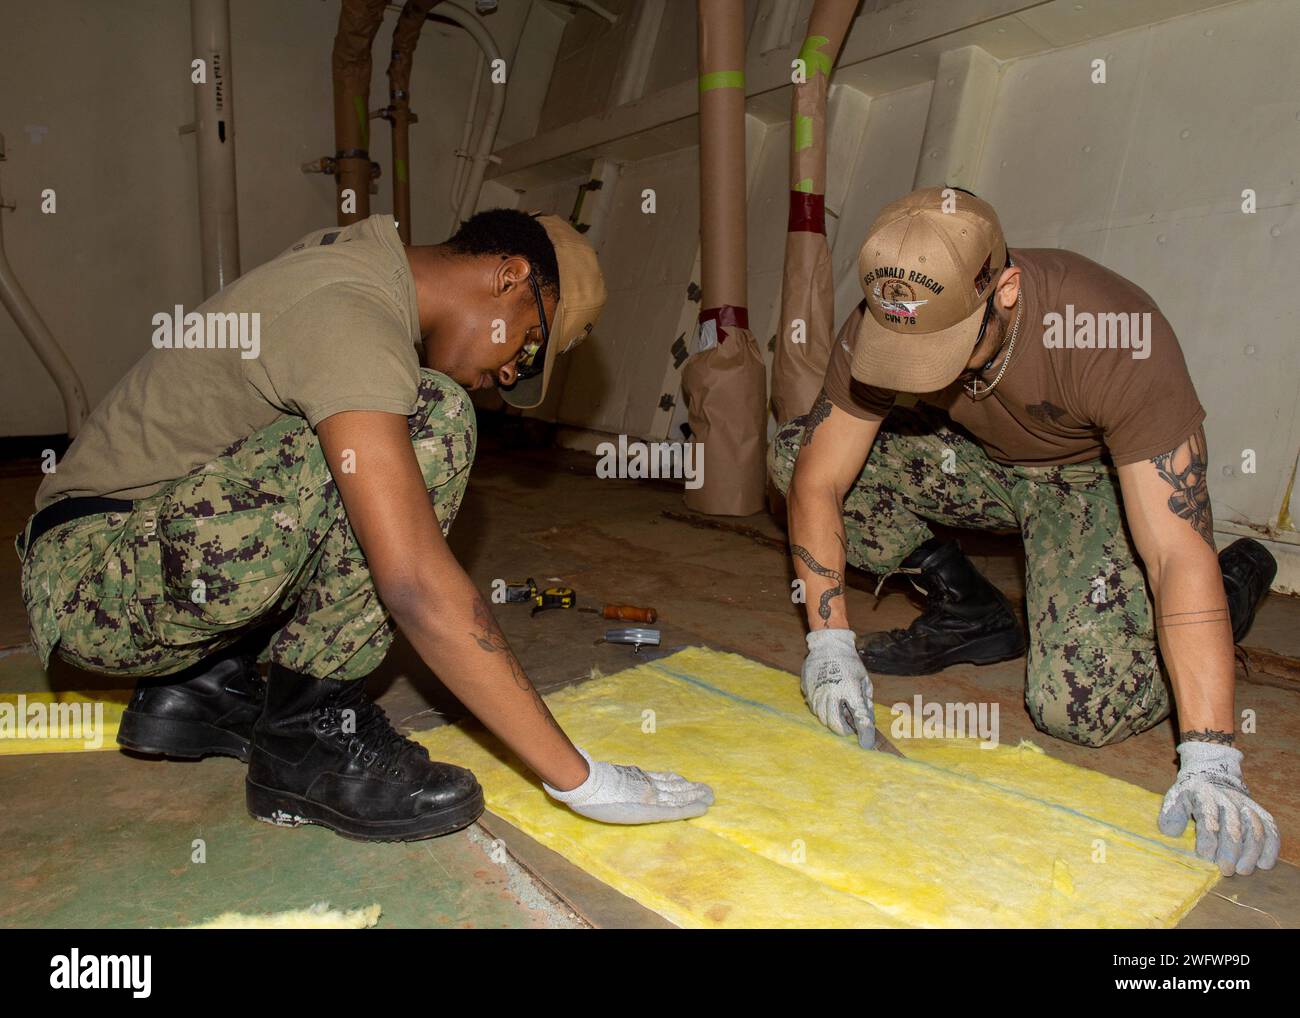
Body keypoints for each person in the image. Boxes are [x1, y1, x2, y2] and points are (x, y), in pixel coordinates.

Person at [17, 209, 713, 841]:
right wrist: (580, 777)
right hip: (94, 585)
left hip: (109, 559)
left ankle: (201, 687)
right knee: (426, 422)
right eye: (527, 346)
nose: (507, 373)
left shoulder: (351, 263)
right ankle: (307, 738)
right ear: (509, 275)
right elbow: (411, 581)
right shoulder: (351, 313)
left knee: (365, 440)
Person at [771, 186, 1279, 876]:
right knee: (793, 451)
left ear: (1006, 288)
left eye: (946, 346)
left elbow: (1170, 551)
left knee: (1080, 707)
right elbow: (819, 481)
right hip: (977, 463)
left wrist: (1213, 750)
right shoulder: (887, 316)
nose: (920, 371)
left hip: (1088, 484)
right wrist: (828, 643)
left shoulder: (1113, 333)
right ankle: (972, 609)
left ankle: (1233, 586)